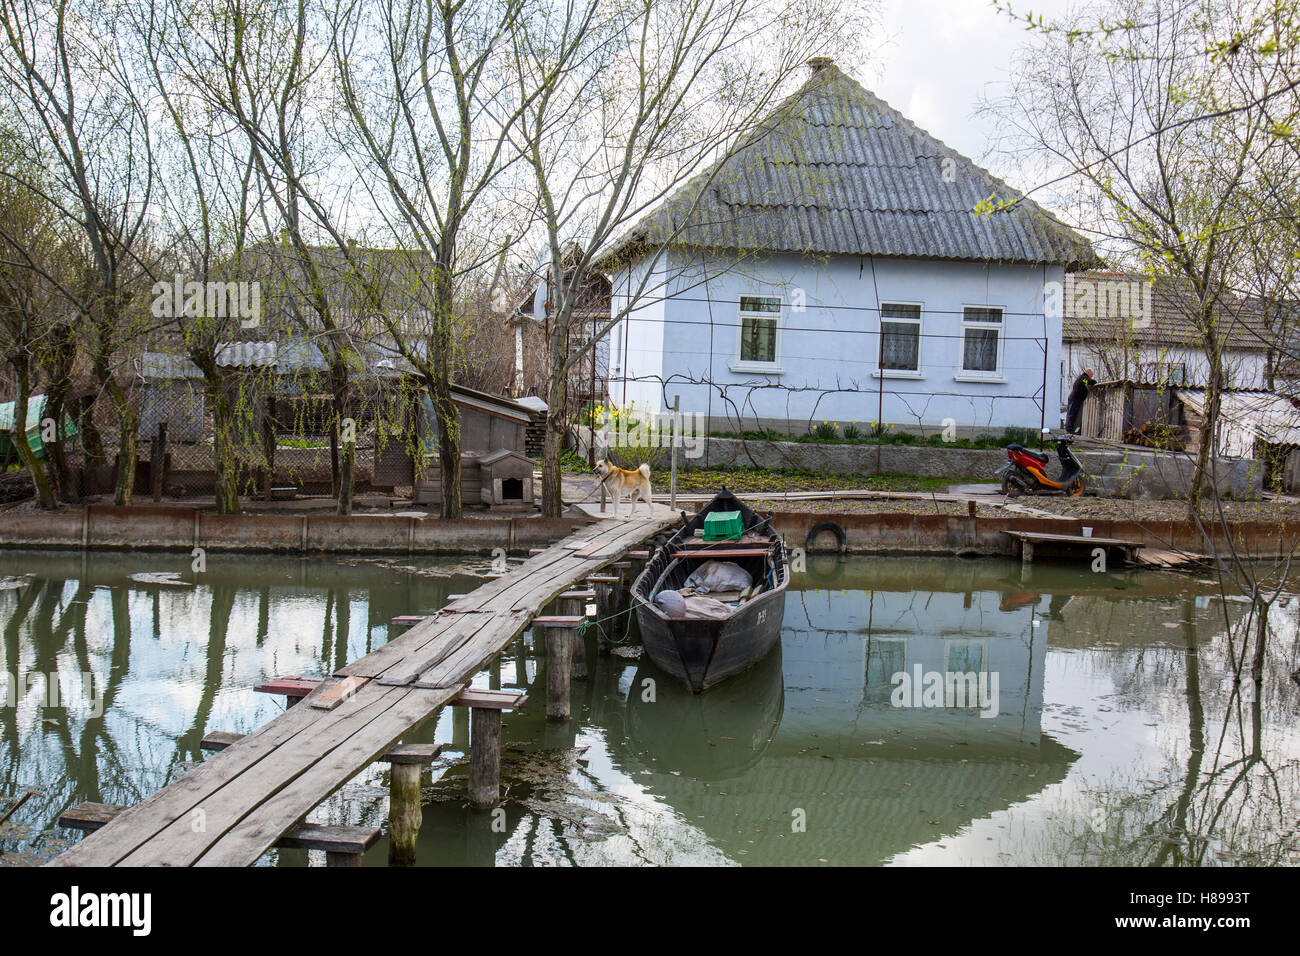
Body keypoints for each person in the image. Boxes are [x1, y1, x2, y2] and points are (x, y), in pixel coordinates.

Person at [1064, 367, 1095, 434]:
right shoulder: (1083, 377)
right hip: (1075, 398)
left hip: (1076, 398)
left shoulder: (1082, 378)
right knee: (1071, 413)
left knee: (1072, 414)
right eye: (1091, 375)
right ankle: (1069, 430)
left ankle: (1070, 429)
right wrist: (1094, 381)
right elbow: (1090, 382)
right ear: (1088, 372)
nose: (1091, 376)